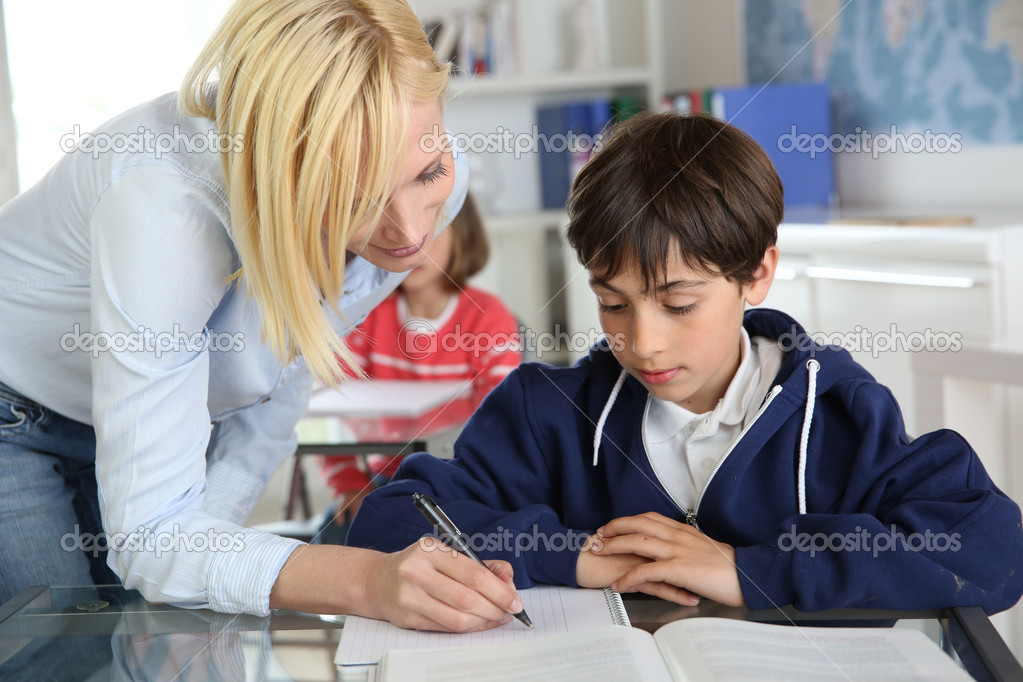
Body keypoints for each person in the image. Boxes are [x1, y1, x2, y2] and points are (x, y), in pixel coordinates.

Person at [347, 111, 1023, 615]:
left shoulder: (840, 413)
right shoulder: (543, 411)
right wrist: (571, 555)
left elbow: (990, 548)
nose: (642, 343)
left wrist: (743, 570)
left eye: (677, 303)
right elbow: (388, 522)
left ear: (755, 275)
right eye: (612, 304)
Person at [0, 0, 524, 633]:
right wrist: (368, 580)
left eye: (427, 174)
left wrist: (202, 544)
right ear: (278, 174)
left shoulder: (436, 176)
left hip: (154, 419)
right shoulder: (168, 213)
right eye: (356, 201)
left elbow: (286, 369)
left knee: (158, 629)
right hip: (16, 415)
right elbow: (151, 537)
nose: (411, 234)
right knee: (61, 647)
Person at [318, 191, 522, 543]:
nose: (412, 241)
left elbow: (499, 424)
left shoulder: (487, 319)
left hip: (464, 482)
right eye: (390, 226)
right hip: (387, 480)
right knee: (333, 539)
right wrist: (350, 483)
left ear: (464, 235)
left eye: (432, 228)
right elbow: (337, 413)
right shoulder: (366, 318)